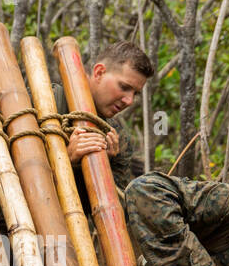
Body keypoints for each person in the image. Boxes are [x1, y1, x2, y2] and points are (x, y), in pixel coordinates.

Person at [52, 41, 154, 202]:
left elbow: (114, 208)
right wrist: (67, 159)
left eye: (135, 94)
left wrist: (103, 166)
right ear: (99, 72)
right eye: (124, 87)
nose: (129, 101)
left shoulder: (117, 138)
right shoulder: (47, 103)